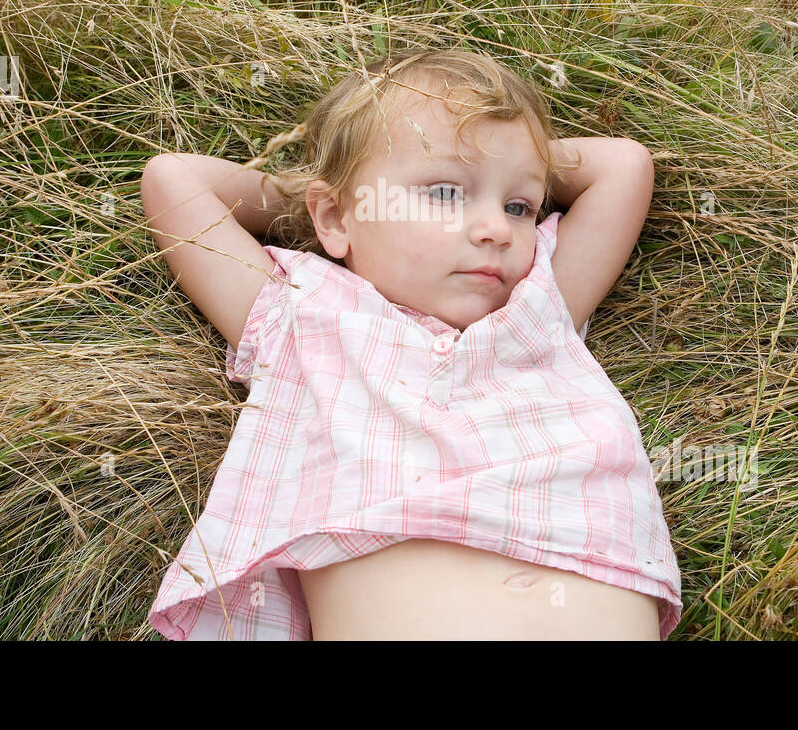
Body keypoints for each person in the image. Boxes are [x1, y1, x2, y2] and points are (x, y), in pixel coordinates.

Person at [142, 47, 682, 639]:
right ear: (337, 219)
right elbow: (176, 182)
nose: (496, 229)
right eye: (445, 193)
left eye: (519, 205)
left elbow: (625, 167)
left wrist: (495, 154)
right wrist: (336, 193)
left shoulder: (541, 301)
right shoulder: (303, 313)